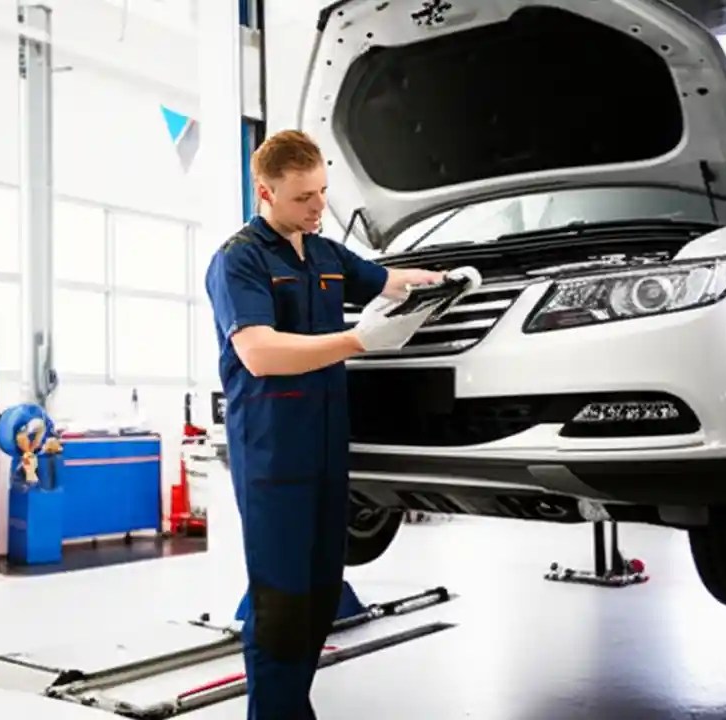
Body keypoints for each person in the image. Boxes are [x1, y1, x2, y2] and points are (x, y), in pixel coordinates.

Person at [204, 129, 445, 719]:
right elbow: (259, 353)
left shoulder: (327, 253)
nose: (318, 207)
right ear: (264, 191)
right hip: (273, 454)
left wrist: (445, 281)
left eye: (322, 192)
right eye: (302, 197)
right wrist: (359, 340)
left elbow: (389, 280)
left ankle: (293, 709)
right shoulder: (240, 259)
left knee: (318, 597)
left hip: (327, 450)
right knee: (281, 602)